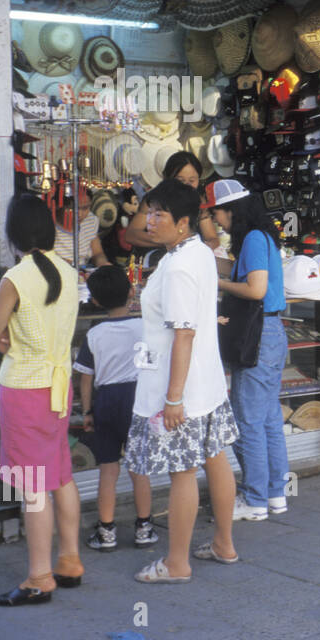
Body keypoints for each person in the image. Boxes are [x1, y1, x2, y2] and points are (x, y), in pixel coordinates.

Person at [123, 179, 240, 581]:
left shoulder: (178, 267)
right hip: (205, 383)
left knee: (183, 473)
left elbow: (183, 334)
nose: (150, 222)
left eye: (160, 215)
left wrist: (173, 399)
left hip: (182, 389)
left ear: (184, 222)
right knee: (214, 458)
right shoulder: (198, 253)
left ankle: (177, 563)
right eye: (148, 212)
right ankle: (223, 543)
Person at [0, 195, 82, 605]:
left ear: (13, 234)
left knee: (34, 487)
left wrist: (11, 346)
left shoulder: (16, 278)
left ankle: (40, 577)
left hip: (25, 390)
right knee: (60, 475)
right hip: (60, 386)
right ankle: (70, 562)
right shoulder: (69, 272)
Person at [209, 178, 290, 520]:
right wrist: (211, 264)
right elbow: (248, 276)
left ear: (232, 210)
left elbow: (255, 289)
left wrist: (217, 283)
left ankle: (254, 500)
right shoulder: (262, 237)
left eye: (218, 215)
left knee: (248, 421)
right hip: (271, 332)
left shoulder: (254, 239)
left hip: (259, 334)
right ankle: (275, 494)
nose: (217, 221)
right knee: (269, 418)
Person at [74, 265, 156, 551]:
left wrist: (87, 412)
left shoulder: (94, 335)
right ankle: (144, 528)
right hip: (138, 399)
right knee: (139, 468)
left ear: (94, 301)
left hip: (106, 401)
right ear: (132, 292)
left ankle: (106, 532)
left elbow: (86, 377)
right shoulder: (145, 326)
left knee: (108, 469)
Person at [125, 151, 221, 254]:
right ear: (168, 178)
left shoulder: (199, 201)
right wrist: (169, 241)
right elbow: (131, 235)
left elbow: (212, 238)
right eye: (180, 181)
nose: (186, 186)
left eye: (192, 181)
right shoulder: (155, 200)